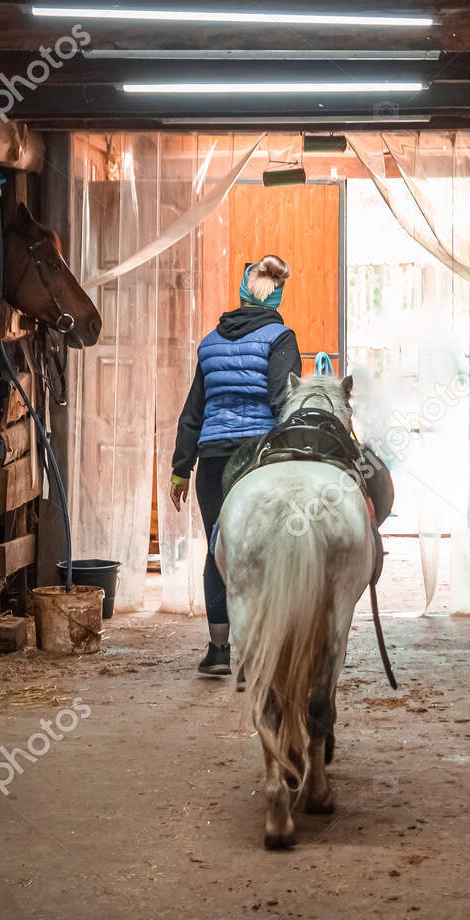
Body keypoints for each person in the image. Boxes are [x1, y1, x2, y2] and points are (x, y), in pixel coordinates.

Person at [169, 255, 301, 676]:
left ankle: (219, 651)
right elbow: (284, 400)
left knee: (219, 549)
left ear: (243, 294)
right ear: (275, 295)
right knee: (263, 552)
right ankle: (255, 654)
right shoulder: (280, 338)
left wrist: (179, 470)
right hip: (258, 460)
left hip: (212, 462)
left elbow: (193, 412)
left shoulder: (209, 343)